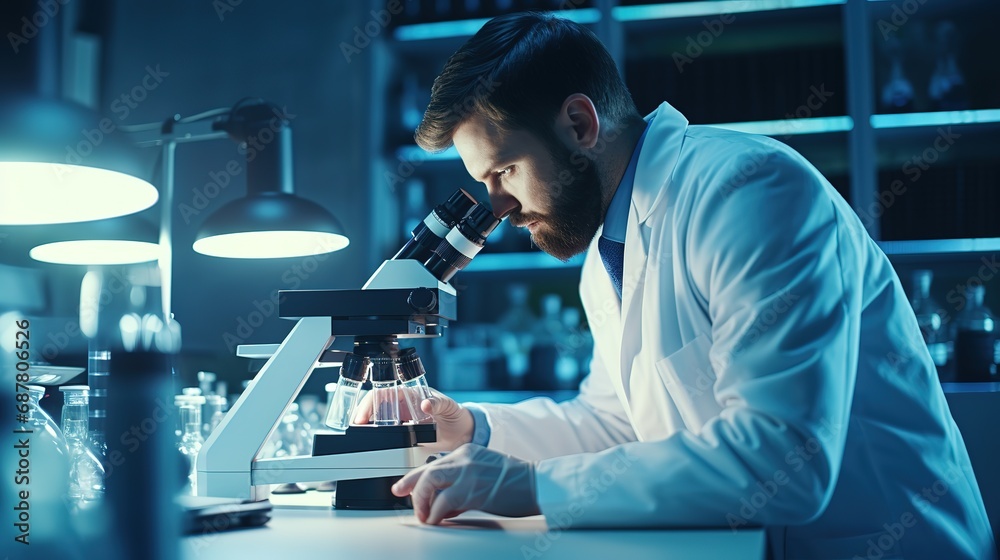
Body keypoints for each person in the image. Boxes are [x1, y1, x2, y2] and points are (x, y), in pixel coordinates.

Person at [355, 12, 995, 559]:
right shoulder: (610, 246)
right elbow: (616, 425)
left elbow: (784, 458)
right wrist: (472, 429)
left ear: (580, 125)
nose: (497, 209)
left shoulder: (748, 189)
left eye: (506, 170)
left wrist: (531, 488)